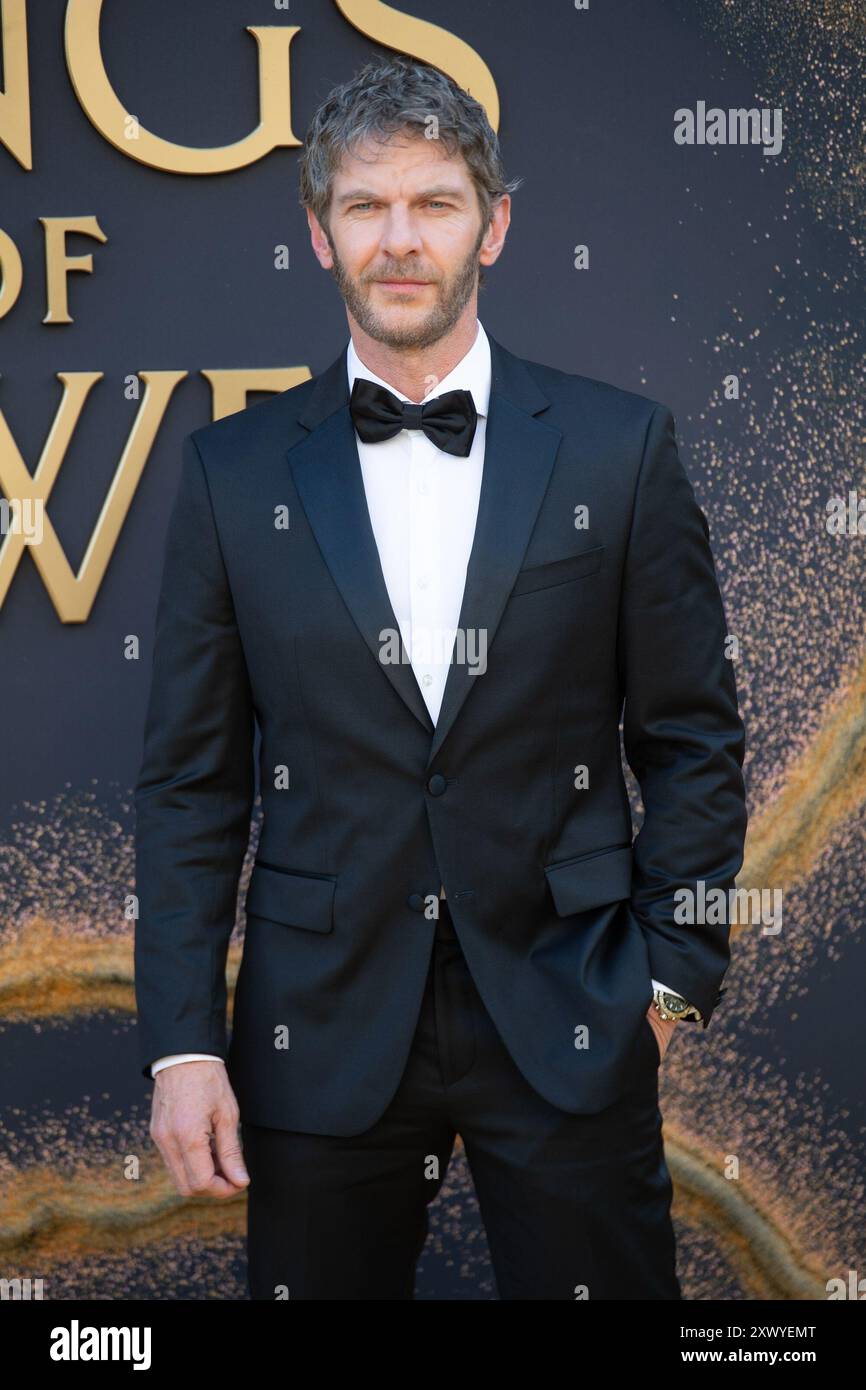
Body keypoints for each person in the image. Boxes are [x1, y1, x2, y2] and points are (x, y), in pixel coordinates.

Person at [134, 55, 747, 1300]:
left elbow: (692, 738)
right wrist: (183, 1046)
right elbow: (191, 787)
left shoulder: (619, 449)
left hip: (574, 1006)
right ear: (319, 234)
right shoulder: (230, 476)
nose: (400, 240)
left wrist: (668, 984)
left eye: (434, 203)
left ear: (494, 225)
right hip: (319, 1028)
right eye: (365, 206)